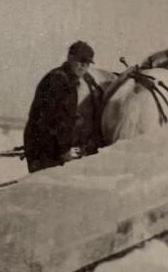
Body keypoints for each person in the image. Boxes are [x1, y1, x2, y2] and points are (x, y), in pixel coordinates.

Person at [23, 41, 106, 173]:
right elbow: (54, 120)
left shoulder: (77, 80)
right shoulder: (56, 81)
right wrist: (65, 150)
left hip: (58, 147)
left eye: (88, 62)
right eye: (81, 60)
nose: (84, 65)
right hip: (44, 148)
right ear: (70, 57)